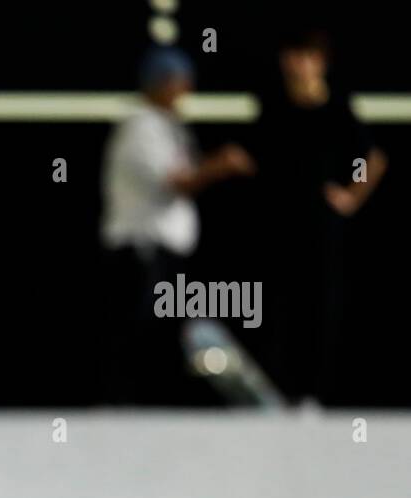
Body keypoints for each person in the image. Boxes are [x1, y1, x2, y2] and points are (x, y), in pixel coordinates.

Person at [99, 47, 255, 405]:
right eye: (178, 82)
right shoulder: (142, 126)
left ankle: (147, 414)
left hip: (162, 256)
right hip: (140, 254)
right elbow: (177, 182)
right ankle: (118, 415)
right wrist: (223, 164)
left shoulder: (168, 127)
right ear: (160, 84)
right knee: (138, 337)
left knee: (161, 338)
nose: (184, 91)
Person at [249, 28, 387, 404]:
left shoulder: (337, 107)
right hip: (278, 223)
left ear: (320, 62)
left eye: (305, 56)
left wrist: (350, 196)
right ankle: (272, 390)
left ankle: (313, 393)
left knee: (319, 305)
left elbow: (370, 159)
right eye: (292, 55)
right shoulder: (273, 104)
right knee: (274, 304)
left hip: (320, 225)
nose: (297, 64)